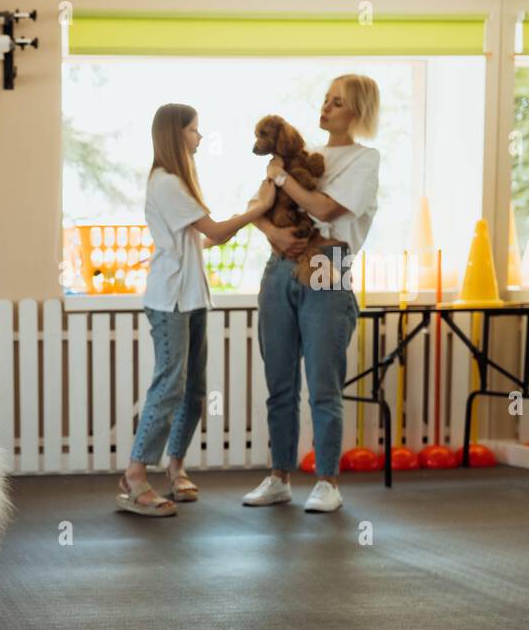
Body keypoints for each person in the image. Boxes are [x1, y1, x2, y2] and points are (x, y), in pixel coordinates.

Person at [117, 104, 275, 516]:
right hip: (169, 301)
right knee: (169, 386)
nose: (200, 138)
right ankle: (135, 476)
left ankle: (175, 466)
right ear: (176, 134)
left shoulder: (181, 182)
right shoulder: (167, 182)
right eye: (194, 130)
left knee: (196, 392)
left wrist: (179, 250)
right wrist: (260, 206)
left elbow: (201, 241)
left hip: (193, 297)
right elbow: (219, 232)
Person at [245, 75, 381, 513]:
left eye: (336, 102)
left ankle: (327, 481)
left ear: (356, 112)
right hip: (281, 264)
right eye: (324, 100)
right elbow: (256, 210)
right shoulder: (305, 156)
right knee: (279, 382)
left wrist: (281, 176)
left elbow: (325, 209)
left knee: (323, 384)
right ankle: (279, 476)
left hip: (326, 264)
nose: (325, 108)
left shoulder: (364, 159)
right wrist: (276, 237)